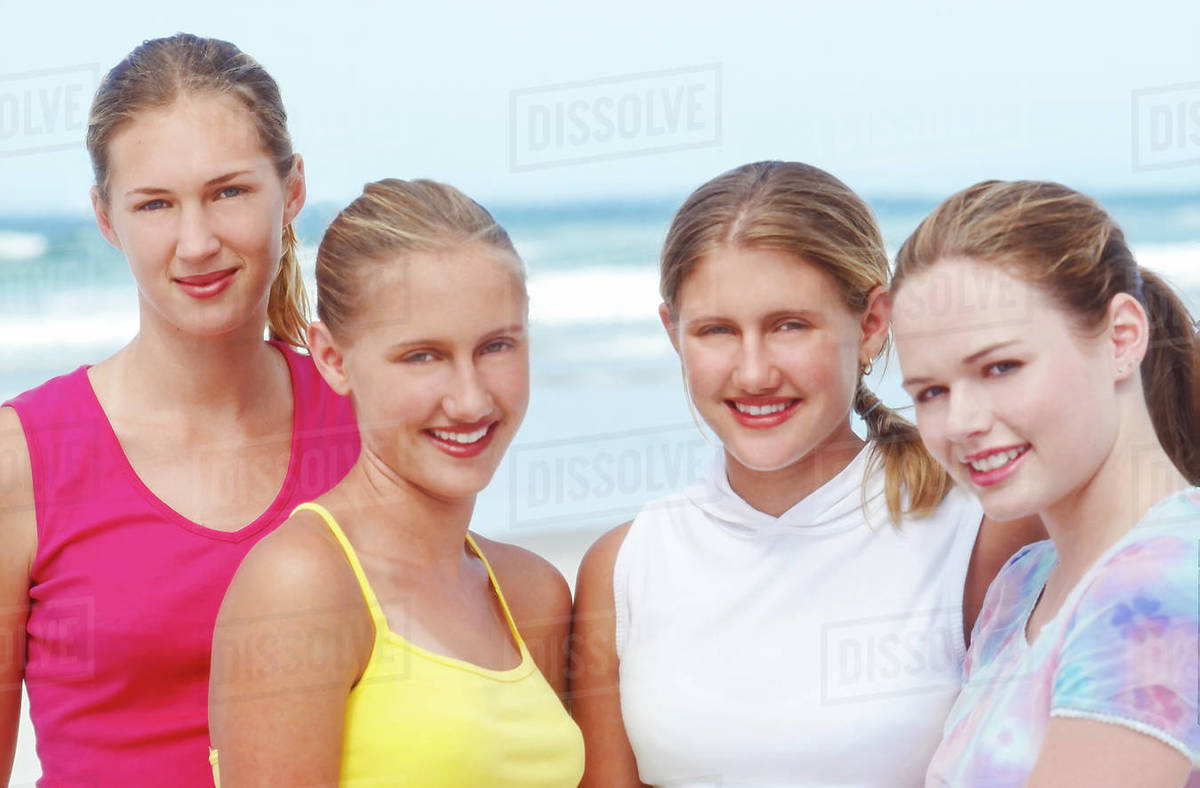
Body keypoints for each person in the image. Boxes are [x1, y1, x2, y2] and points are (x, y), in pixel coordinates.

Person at [570, 161, 1045, 787]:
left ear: (871, 323)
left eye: (789, 325)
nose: (754, 373)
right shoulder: (624, 568)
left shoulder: (979, 532)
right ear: (673, 333)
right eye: (716, 330)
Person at [0, 34, 361, 785]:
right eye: (156, 204)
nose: (197, 243)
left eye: (229, 192)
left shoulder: (368, 423)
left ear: (292, 190)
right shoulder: (22, 459)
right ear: (106, 217)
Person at [208, 178, 584, 786]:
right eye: (422, 356)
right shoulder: (303, 585)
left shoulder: (532, 593)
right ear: (333, 359)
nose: (469, 400)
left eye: (496, 346)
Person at [889, 179, 1199, 787]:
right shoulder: (1023, 583)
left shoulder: (1159, 586)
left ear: (1122, 337)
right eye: (931, 392)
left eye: (1000, 367)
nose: (961, 422)